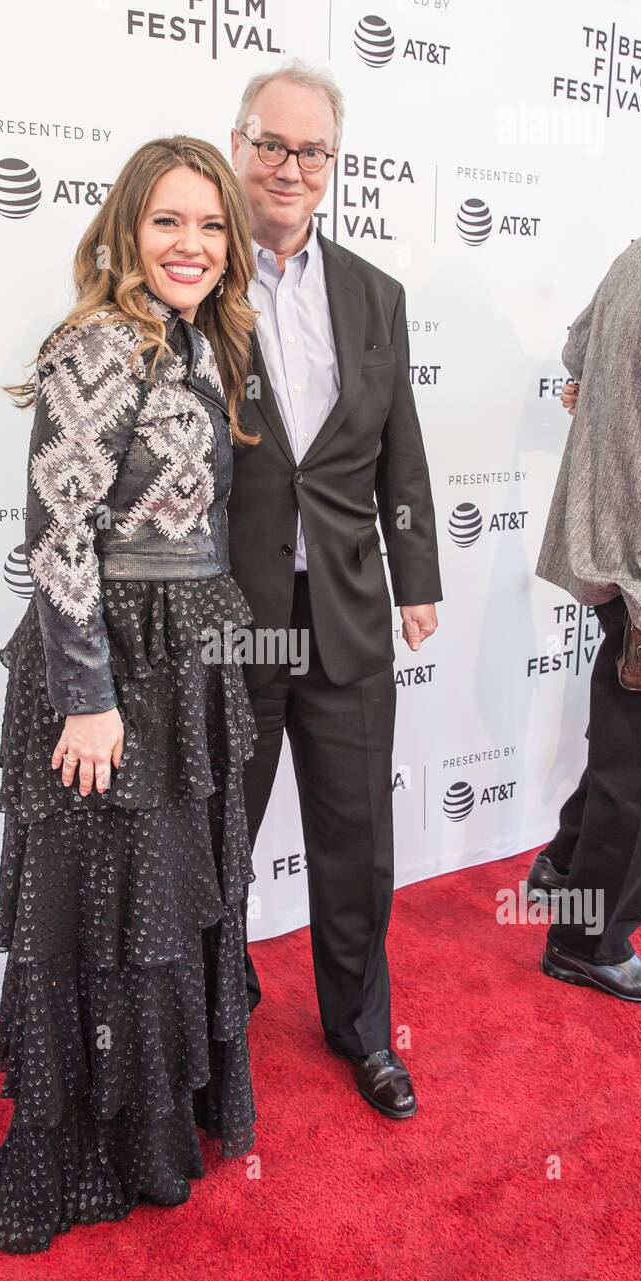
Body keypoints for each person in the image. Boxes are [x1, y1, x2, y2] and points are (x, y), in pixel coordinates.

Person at [0, 136, 262, 1253]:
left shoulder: (191, 340)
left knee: (163, 904)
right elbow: (58, 535)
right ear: (123, 231)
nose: (190, 244)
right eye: (167, 222)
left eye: (209, 225)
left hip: (182, 656)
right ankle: (96, 1142)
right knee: (107, 911)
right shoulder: (102, 343)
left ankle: (153, 1130)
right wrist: (85, 696)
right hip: (111, 672)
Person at [226, 61, 442, 1118]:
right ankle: (216, 1028)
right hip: (234, 619)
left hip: (348, 609)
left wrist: (418, 577)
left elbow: (400, 448)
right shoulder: (194, 274)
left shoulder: (374, 293)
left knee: (356, 842)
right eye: (271, 144)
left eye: (311, 151)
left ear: (332, 164)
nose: (289, 167)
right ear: (237, 144)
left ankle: (362, 1029)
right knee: (218, 831)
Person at [534, 211, 641, 1003]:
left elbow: (576, 357)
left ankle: (563, 870)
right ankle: (589, 940)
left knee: (630, 746)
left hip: (608, 543)